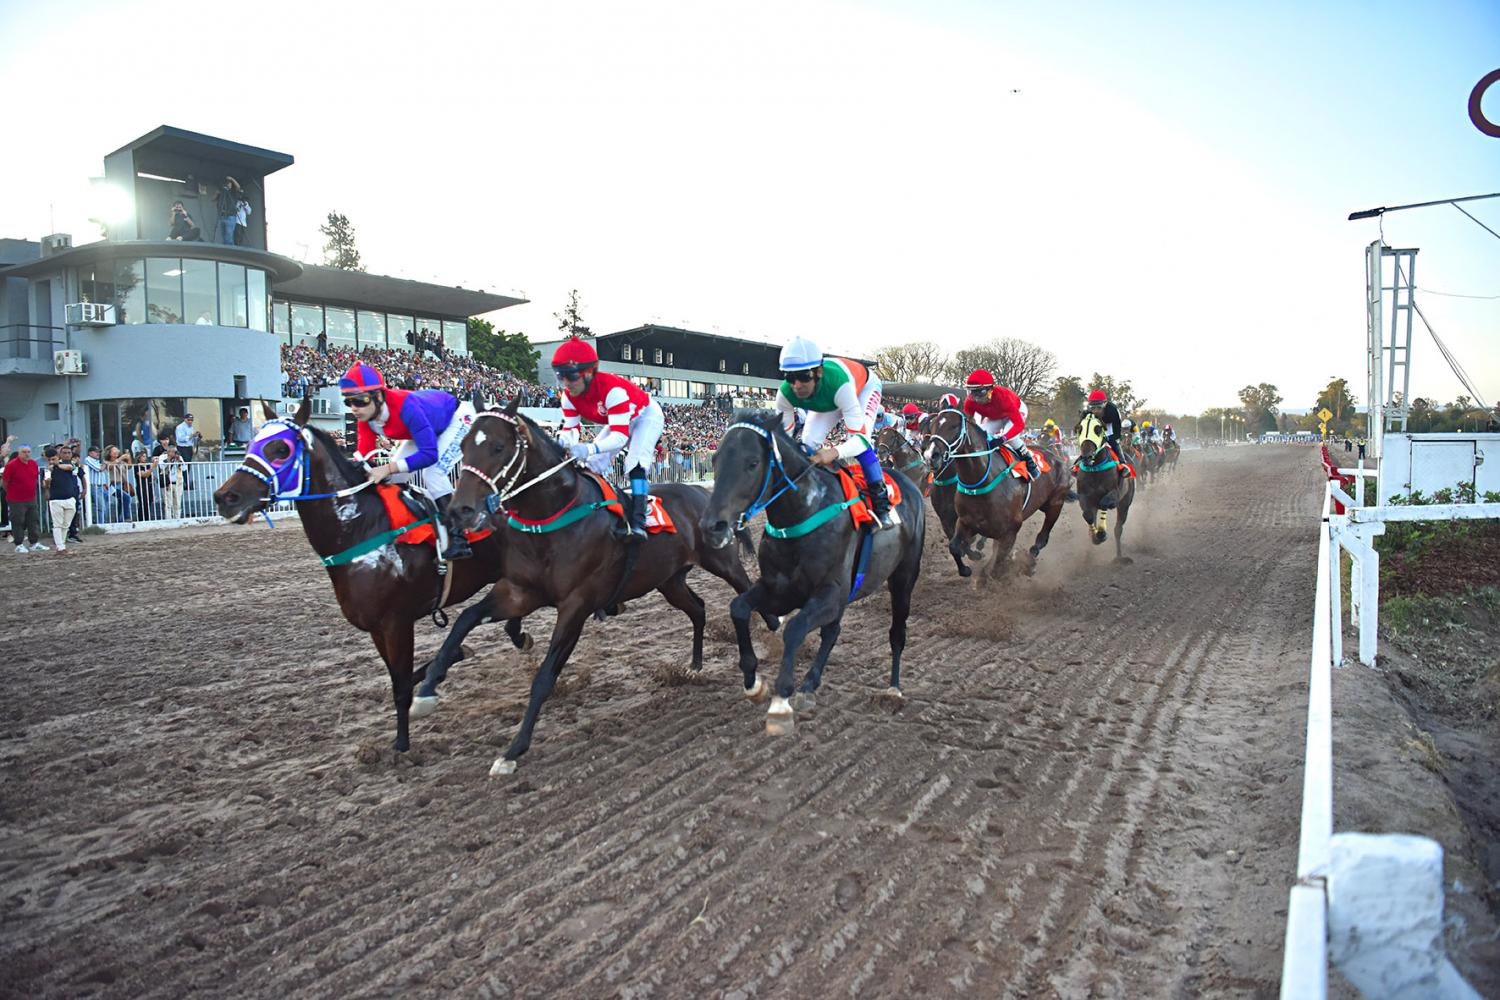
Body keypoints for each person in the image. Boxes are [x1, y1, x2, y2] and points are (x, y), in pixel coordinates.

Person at [339, 361, 478, 560]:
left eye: (360, 401)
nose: (354, 408)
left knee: (433, 474)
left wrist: (387, 468)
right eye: (348, 402)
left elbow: (429, 455)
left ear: (378, 396)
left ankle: (458, 537)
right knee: (394, 478)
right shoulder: (366, 418)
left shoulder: (406, 407)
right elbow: (364, 456)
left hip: (456, 419)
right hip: (428, 426)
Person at [774, 336, 899, 530]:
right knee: (807, 443)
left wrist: (832, 452)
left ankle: (882, 506)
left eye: (804, 376)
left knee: (858, 446)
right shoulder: (784, 394)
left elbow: (861, 440)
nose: (797, 385)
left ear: (818, 372)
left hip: (861, 388)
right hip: (830, 395)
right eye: (790, 377)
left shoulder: (840, 386)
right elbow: (783, 440)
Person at [551, 337, 665, 541]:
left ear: (589, 372)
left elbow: (620, 438)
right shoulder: (568, 397)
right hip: (621, 420)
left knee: (635, 462)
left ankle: (639, 522)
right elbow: (571, 428)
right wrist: (563, 441)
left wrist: (588, 448)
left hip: (646, 416)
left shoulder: (613, 390)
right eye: (561, 376)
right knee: (592, 464)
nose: (567, 383)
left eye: (571, 376)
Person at [963, 369, 1040, 478]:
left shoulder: (1004, 398)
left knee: (1011, 437)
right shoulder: (970, 402)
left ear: (990, 390)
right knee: (981, 436)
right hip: (995, 416)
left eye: (979, 393)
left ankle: (1029, 461)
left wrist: (1002, 438)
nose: (975, 398)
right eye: (971, 392)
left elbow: (1019, 425)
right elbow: (968, 421)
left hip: (1016, 410)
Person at [3, 444, 43, 552]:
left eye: (28, 452)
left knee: (33, 520)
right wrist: (12, 493)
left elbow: (34, 478)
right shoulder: (12, 465)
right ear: (19, 453)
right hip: (16, 499)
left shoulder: (33, 464)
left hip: (31, 498)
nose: (27, 454)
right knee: (18, 521)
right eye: (24, 452)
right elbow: (5, 482)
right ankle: (19, 544)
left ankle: (34, 542)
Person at [45, 444, 81, 552]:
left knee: (66, 524)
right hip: (56, 498)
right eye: (64, 453)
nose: (66, 455)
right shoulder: (48, 469)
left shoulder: (72, 464)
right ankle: (60, 547)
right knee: (57, 524)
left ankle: (61, 543)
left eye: (69, 453)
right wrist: (49, 474)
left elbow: (71, 468)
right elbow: (46, 483)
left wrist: (57, 465)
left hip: (70, 498)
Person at [1083, 389, 1124, 458]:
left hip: (1110, 427)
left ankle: (1122, 461)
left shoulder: (1113, 410)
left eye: (1099, 407)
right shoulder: (1087, 412)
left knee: (1115, 444)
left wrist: (1113, 438)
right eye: (1093, 408)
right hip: (1096, 427)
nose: (1096, 411)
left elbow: (1117, 428)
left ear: (1105, 404)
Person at [154, 443, 186, 518]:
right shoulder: (162, 457)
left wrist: (179, 460)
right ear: (168, 451)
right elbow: (161, 467)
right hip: (167, 483)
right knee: (168, 503)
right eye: (171, 451)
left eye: (174, 451)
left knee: (177, 503)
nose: (173, 453)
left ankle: (177, 519)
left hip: (178, 483)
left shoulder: (179, 457)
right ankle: (168, 520)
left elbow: (185, 469)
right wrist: (168, 459)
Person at [215, 176, 242, 244]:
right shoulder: (222, 192)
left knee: (228, 237)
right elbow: (213, 199)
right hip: (222, 216)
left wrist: (232, 179)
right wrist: (217, 193)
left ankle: (231, 252)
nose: (228, 184)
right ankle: (225, 252)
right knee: (224, 237)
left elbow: (238, 187)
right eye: (226, 183)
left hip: (231, 216)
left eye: (229, 183)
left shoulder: (233, 192)